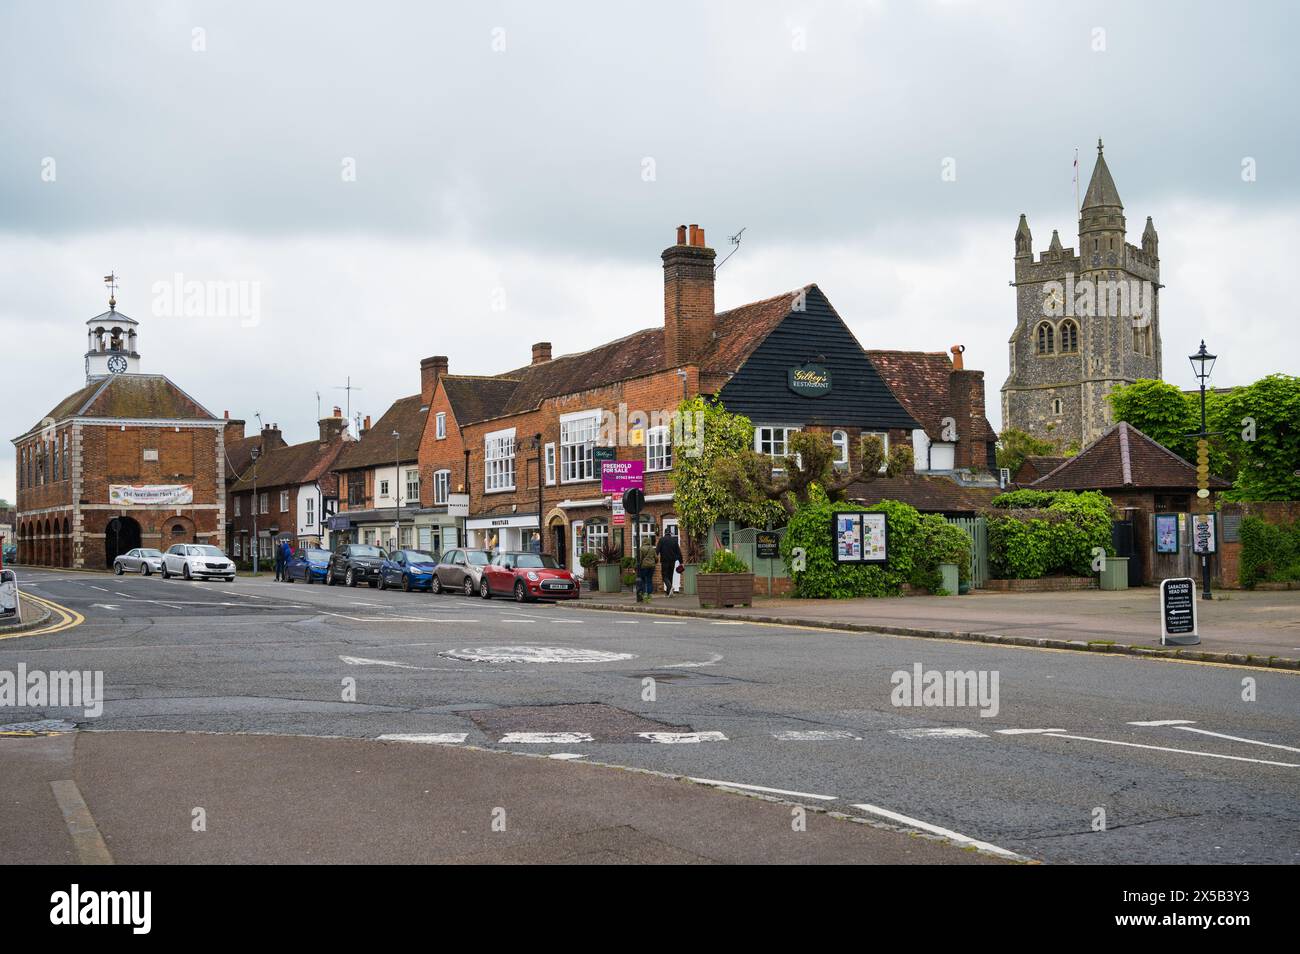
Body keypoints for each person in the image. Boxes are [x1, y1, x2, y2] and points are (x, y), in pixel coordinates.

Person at [656, 531, 682, 597]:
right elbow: (678, 552)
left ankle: (670, 587)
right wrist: (681, 562)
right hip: (672, 561)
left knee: (664, 576)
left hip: (664, 561)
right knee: (670, 576)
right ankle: (668, 593)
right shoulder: (674, 540)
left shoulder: (661, 540)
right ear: (670, 533)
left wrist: (654, 559)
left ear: (665, 533)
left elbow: (657, 550)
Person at [636, 537, 658, 602]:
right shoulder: (652, 549)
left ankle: (643, 593)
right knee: (649, 579)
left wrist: (638, 565)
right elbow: (656, 558)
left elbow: (640, 559)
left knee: (643, 580)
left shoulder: (641, 549)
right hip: (652, 566)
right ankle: (649, 594)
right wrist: (654, 562)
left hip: (644, 566)